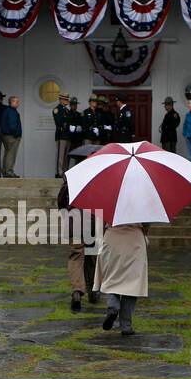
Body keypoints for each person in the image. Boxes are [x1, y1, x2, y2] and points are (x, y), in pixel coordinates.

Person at [94, 222, 149, 336]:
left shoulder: (110, 209)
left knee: (111, 277)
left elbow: (101, 220)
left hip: (112, 237)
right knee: (133, 282)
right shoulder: (142, 209)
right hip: (135, 238)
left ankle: (113, 307)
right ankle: (126, 325)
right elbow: (147, 223)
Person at [58, 175, 100, 313]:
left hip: (74, 222)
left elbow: (61, 202)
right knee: (91, 258)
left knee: (76, 257)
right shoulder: (99, 179)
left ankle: (77, 291)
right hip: (92, 222)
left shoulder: (72, 179)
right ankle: (93, 292)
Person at [0, 94, 23, 178]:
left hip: (7, 135)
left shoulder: (8, 110)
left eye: (18, 102)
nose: (18, 103)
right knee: (11, 154)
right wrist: (15, 134)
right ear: (11, 102)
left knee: (7, 154)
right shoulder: (12, 111)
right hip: (11, 136)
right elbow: (12, 125)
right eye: (16, 102)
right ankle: (9, 172)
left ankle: (5, 172)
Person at [52, 92, 73, 177]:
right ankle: (59, 172)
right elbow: (59, 122)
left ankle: (65, 172)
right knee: (60, 155)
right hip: (61, 135)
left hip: (67, 135)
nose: (67, 101)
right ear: (61, 100)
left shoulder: (67, 110)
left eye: (67, 99)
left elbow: (69, 121)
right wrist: (68, 126)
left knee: (66, 155)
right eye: (65, 99)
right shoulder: (57, 109)